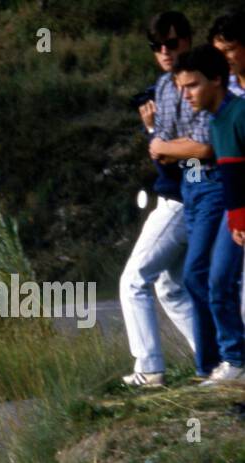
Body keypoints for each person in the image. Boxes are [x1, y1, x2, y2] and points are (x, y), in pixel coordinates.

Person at [120, 11, 201, 388]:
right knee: (171, 286)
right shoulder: (164, 86)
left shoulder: (193, 83)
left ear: (187, 41)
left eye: (172, 43)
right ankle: (212, 359)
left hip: (182, 198)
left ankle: (149, 367)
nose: (165, 52)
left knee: (133, 279)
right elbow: (163, 151)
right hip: (179, 192)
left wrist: (158, 139)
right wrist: (156, 136)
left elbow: (188, 151)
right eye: (157, 46)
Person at [172, 44, 245, 384]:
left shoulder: (240, 114)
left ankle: (234, 359)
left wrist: (240, 218)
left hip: (240, 215)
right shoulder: (217, 122)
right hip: (235, 215)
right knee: (214, 280)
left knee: (217, 280)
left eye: (192, 85)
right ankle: (233, 360)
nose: (185, 94)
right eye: (182, 87)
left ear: (217, 80)